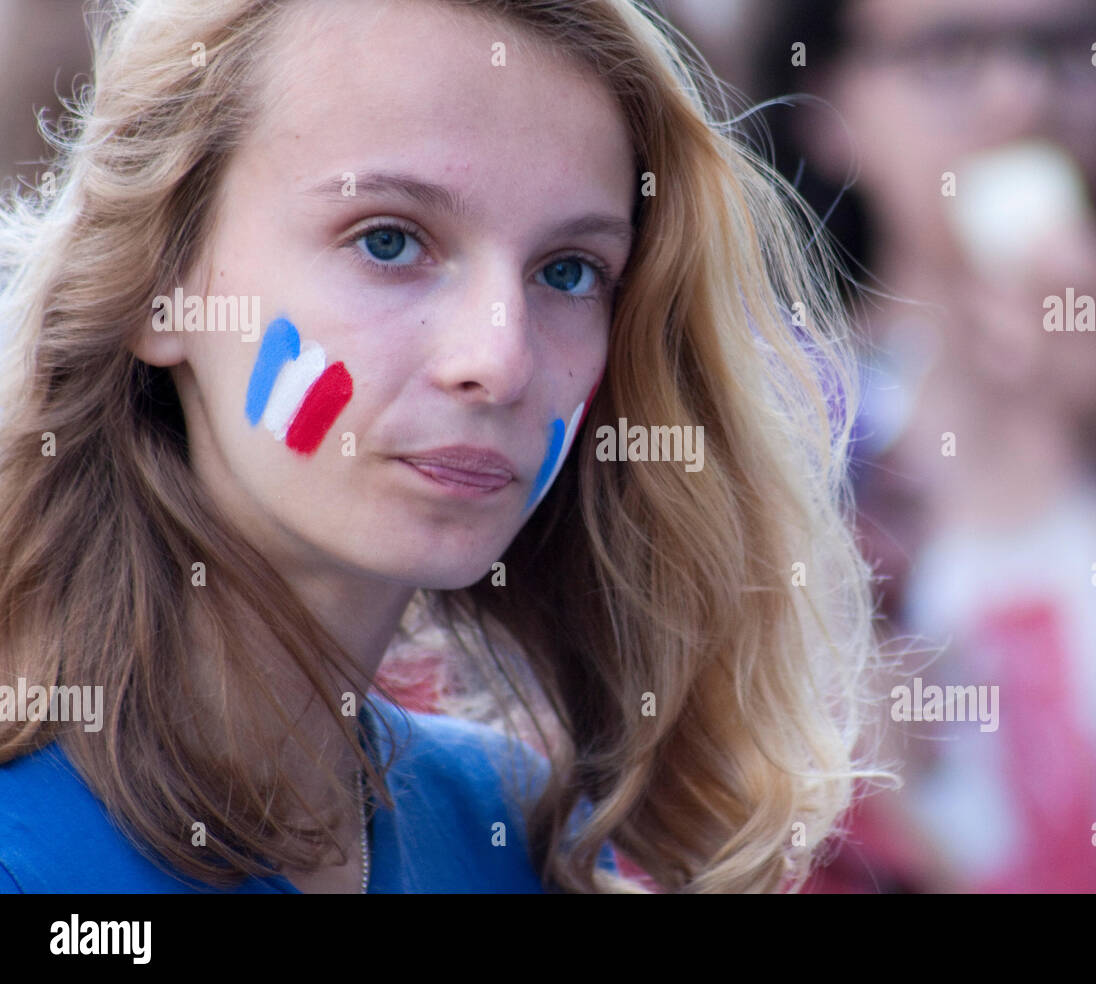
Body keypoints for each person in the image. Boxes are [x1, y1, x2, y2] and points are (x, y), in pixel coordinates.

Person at [0, 0, 887, 893]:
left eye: (568, 271)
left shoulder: (519, 835)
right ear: (161, 282)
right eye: (389, 241)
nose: (499, 361)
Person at [752, 0, 1096, 892]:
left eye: (1074, 49)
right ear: (828, 104)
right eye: (951, 50)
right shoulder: (777, 418)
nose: (1023, 99)